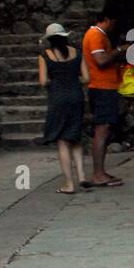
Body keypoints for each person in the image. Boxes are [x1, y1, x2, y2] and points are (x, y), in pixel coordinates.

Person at [80, 11, 131, 187]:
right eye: (113, 22)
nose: (114, 26)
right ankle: (98, 174)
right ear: (106, 19)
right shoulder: (95, 35)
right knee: (102, 129)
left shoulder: (100, 36)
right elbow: (101, 60)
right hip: (101, 87)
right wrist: (119, 50)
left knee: (106, 128)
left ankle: (100, 172)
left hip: (106, 86)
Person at [38, 24, 88, 194]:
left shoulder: (46, 55)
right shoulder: (77, 53)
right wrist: (73, 81)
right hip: (76, 97)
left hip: (58, 99)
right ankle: (82, 177)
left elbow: (43, 81)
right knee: (75, 137)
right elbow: (86, 78)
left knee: (62, 140)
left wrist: (57, 82)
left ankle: (69, 183)